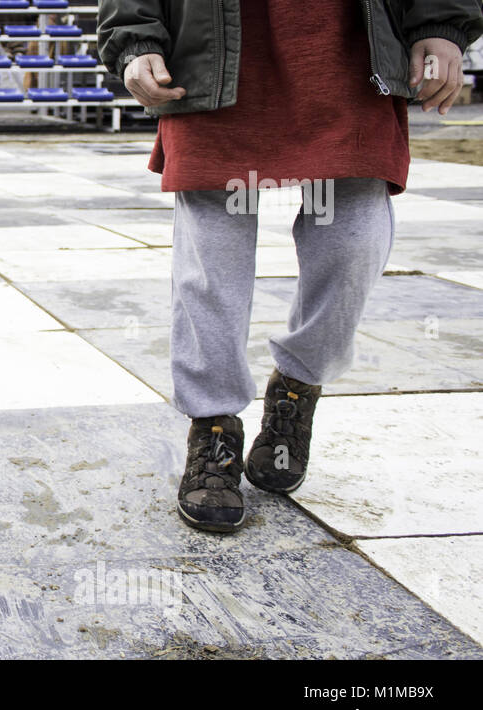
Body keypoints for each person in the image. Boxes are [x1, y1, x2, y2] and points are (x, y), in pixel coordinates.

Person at [98, 1, 483, 533]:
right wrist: (134, 40)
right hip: (209, 52)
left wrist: (444, 25)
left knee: (354, 243)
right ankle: (213, 426)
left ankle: (298, 386)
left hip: (349, 49)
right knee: (212, 262)